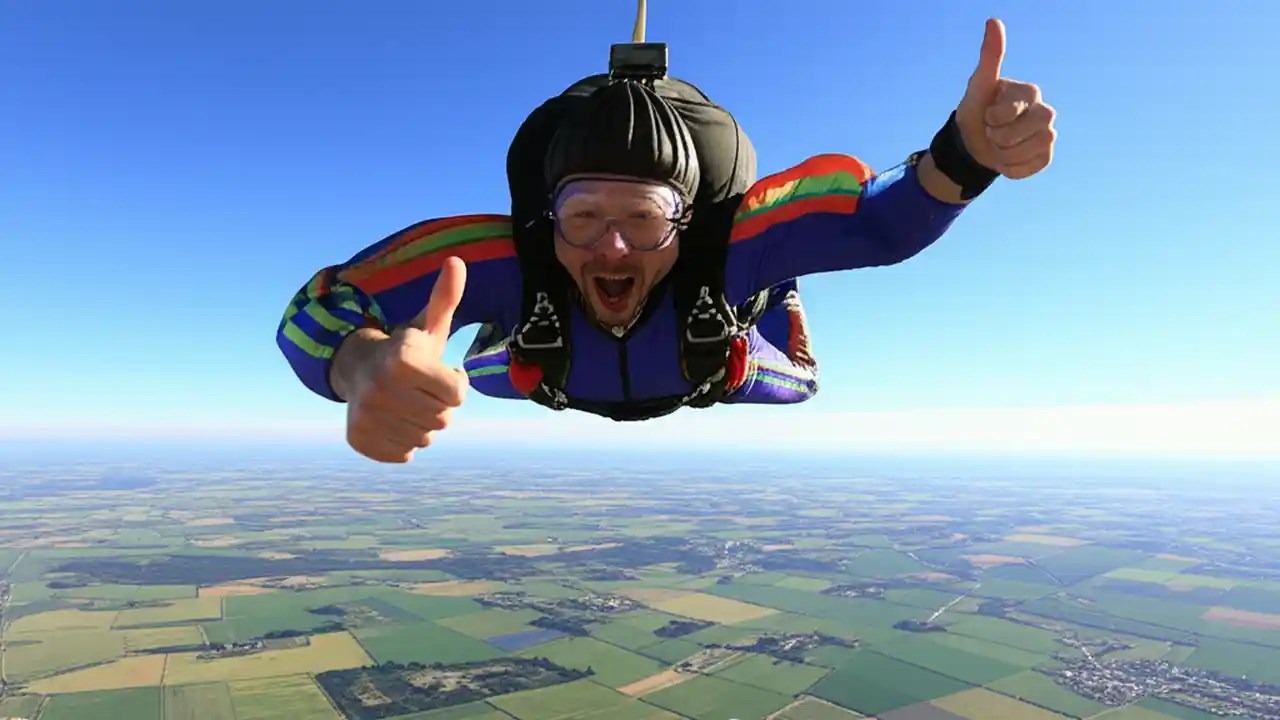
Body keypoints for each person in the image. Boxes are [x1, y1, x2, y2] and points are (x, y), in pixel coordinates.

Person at [276, 19, 1057, 463]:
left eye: (644, 219)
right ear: (549, 221)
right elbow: (318, 305)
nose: (613, 248)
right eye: (583, 216)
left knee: (799, 383)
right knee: (488, 371)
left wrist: (966, 155)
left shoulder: (742, 237)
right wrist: (365, 362)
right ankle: (512, 332)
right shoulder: (506, 257)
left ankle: (769, 299)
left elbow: (885, 221)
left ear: (687, 221)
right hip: (548, 366)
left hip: (708, 363)